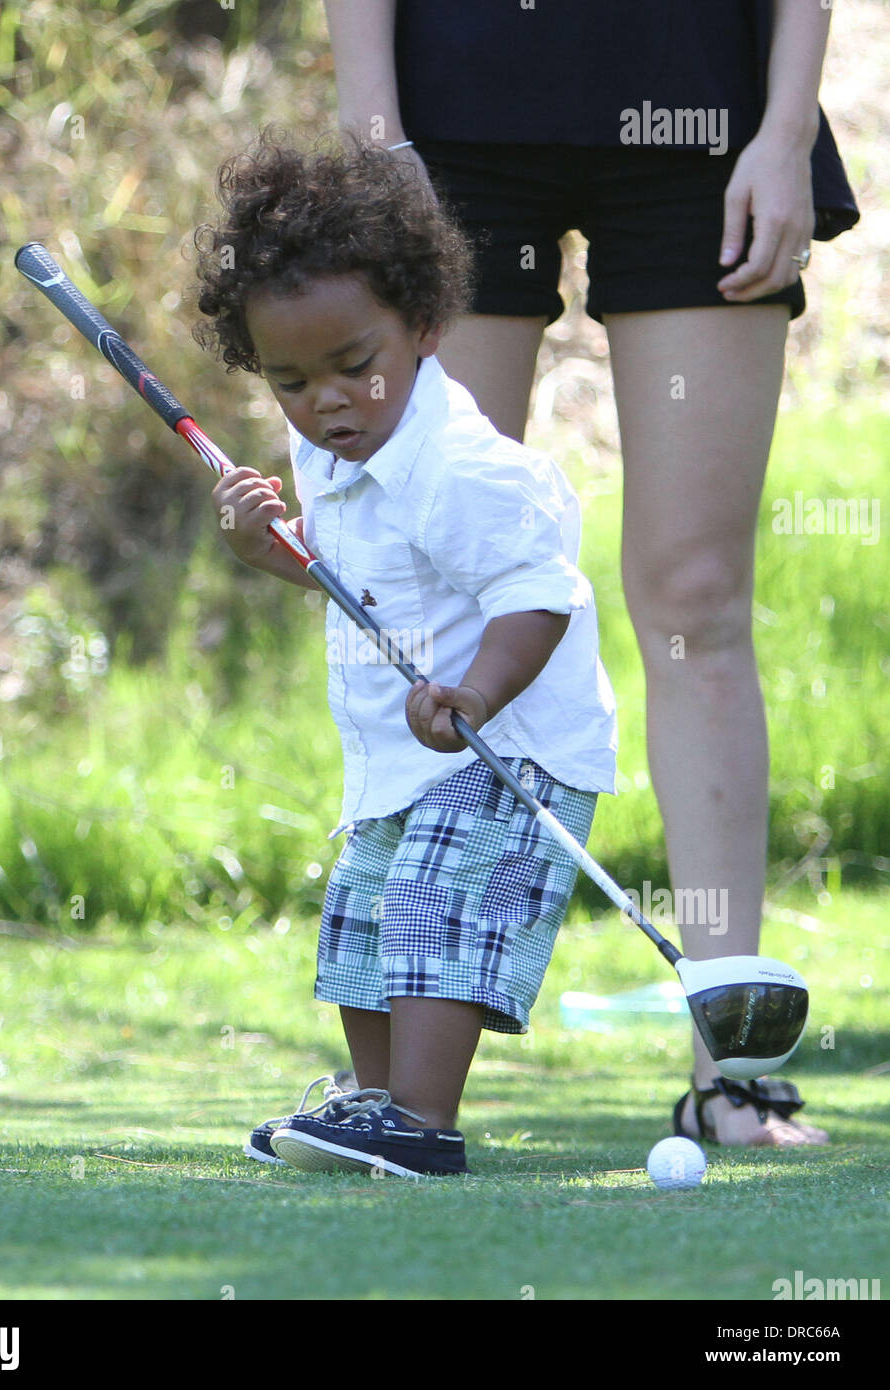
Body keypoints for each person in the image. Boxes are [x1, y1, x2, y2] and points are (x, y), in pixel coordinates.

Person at [322, 0, 859, 1148]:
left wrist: (780, 127)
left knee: (695, 595)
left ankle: (734, 1070)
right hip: (452, 117)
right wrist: (373, 127)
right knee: (432, 599)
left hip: (705, 100)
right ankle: (405, 1088)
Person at [193, 137, 617, 1176]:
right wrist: (268, 553)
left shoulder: (465, 473)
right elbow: (358, 581)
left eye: (352, 366)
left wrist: (473, 690)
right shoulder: (327, 449)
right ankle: (374, 1104)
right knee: (362, 917)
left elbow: (539, 596)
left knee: (432, 908)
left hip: (504, 744)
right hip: (406, 750)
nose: (327, 401)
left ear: (423, 326)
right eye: (289, 381)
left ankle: (422, 1118)